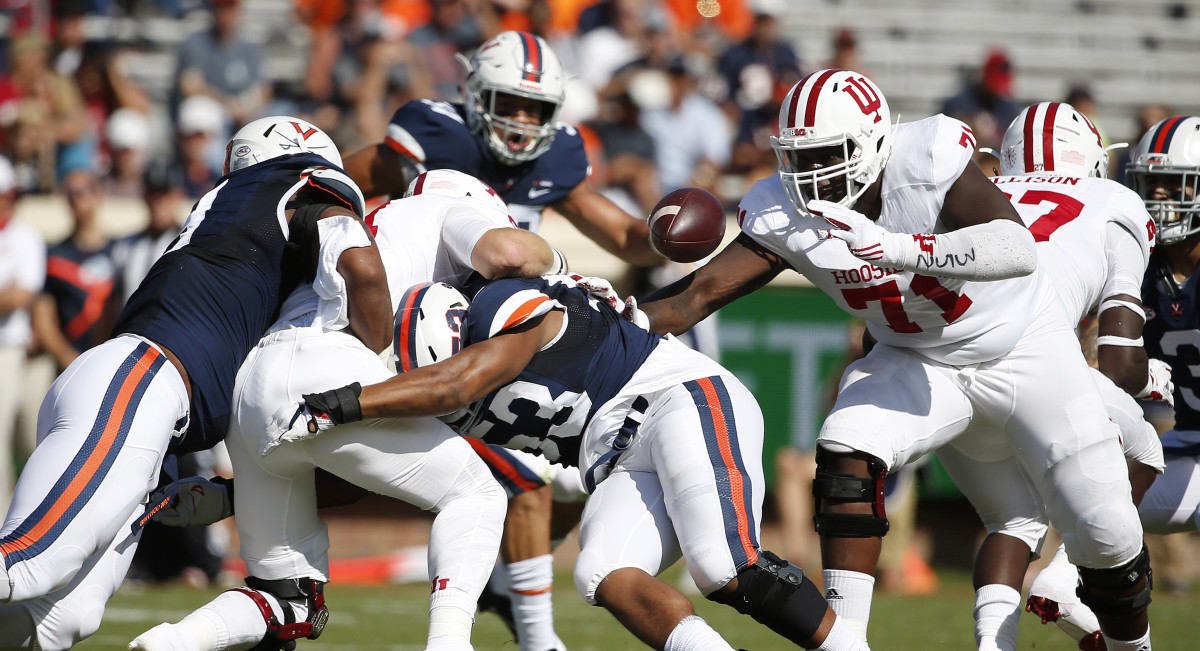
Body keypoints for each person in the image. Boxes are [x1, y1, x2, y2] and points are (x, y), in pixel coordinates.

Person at [639, 69, 1153, 650]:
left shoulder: (927, 158)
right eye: (798, 157)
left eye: (827, 155)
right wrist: (617, 315)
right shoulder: (783, 207)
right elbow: (695, 296)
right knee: (846, 441)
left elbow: (1016, 248)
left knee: (1107, 533)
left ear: (873, 142)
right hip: (918, 357)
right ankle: (846, 639)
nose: (810, 174)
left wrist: (902, 248)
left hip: (1023, 344)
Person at [265, 273, 871, 651]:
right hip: (614, 456)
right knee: (600, 573)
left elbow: (459, 381)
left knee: (722, 564)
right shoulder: (431, 393)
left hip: (676, 396)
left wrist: (346, 403)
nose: (447, 371)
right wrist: (225, 494)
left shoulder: (500, 304)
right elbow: (366, 472)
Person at [0, 115, 392, 650]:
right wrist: (381, 359)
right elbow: (363, 269)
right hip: (140, 383)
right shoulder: (296, 184)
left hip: (137, 397)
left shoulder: (234, 209)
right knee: (29, 564)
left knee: (58, 620)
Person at [128, 168, 556, 651]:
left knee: (288, 603)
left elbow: (354, 470)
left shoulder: (375, 225)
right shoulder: (445, 209)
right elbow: (511, 253)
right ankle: (450, 643)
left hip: (253, 386)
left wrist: (232, 496)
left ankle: (173, 642)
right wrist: (555, 260)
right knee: (478, 494)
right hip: (329, 365)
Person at [342, 30, 662, 649]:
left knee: (578, 473)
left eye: (535, 109)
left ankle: (503, 579)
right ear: (474, 94)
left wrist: (674, 233)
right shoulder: (437, 136)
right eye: (509, 104)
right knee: (530, 483)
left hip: (516, 335)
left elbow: (626, 236)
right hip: (435, 328)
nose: (521, 122)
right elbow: (341, 186)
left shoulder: (557, 160)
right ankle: (537, 637)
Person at [961, 101, 1167, 651]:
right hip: (1035, 367)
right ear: (1089, 158)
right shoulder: (1108, 199)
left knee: (1014, 517)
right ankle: (1067, 574)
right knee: (1143, 447)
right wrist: (1148, 382)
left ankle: (993, 642)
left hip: (951, 366)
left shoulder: (979, 191)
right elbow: (1120, 359)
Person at [0, 155, 45, 510]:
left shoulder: (25, 237)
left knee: (28, 446)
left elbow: (23, 296)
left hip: (11, 349)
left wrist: (11, 296)